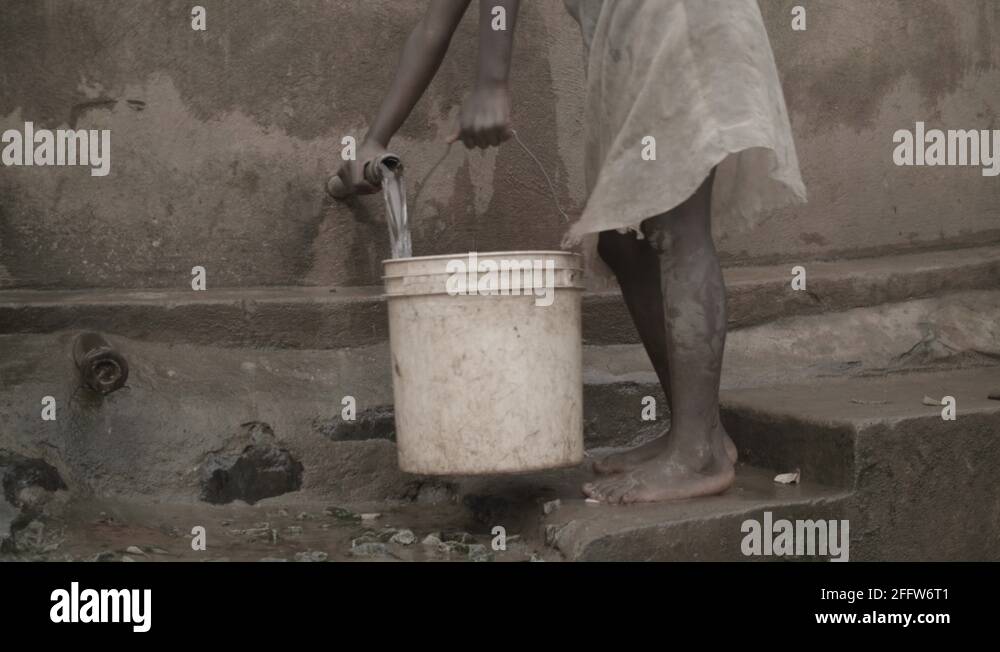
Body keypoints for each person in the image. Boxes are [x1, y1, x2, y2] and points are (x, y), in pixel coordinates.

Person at [336, 0, 806, 503]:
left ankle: (697, 458)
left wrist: (492, 83)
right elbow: (435, 25)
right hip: (633, 34)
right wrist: (373, 140)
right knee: (623, 243)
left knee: (676, 227)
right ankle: (700, 432)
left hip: (674, 19)